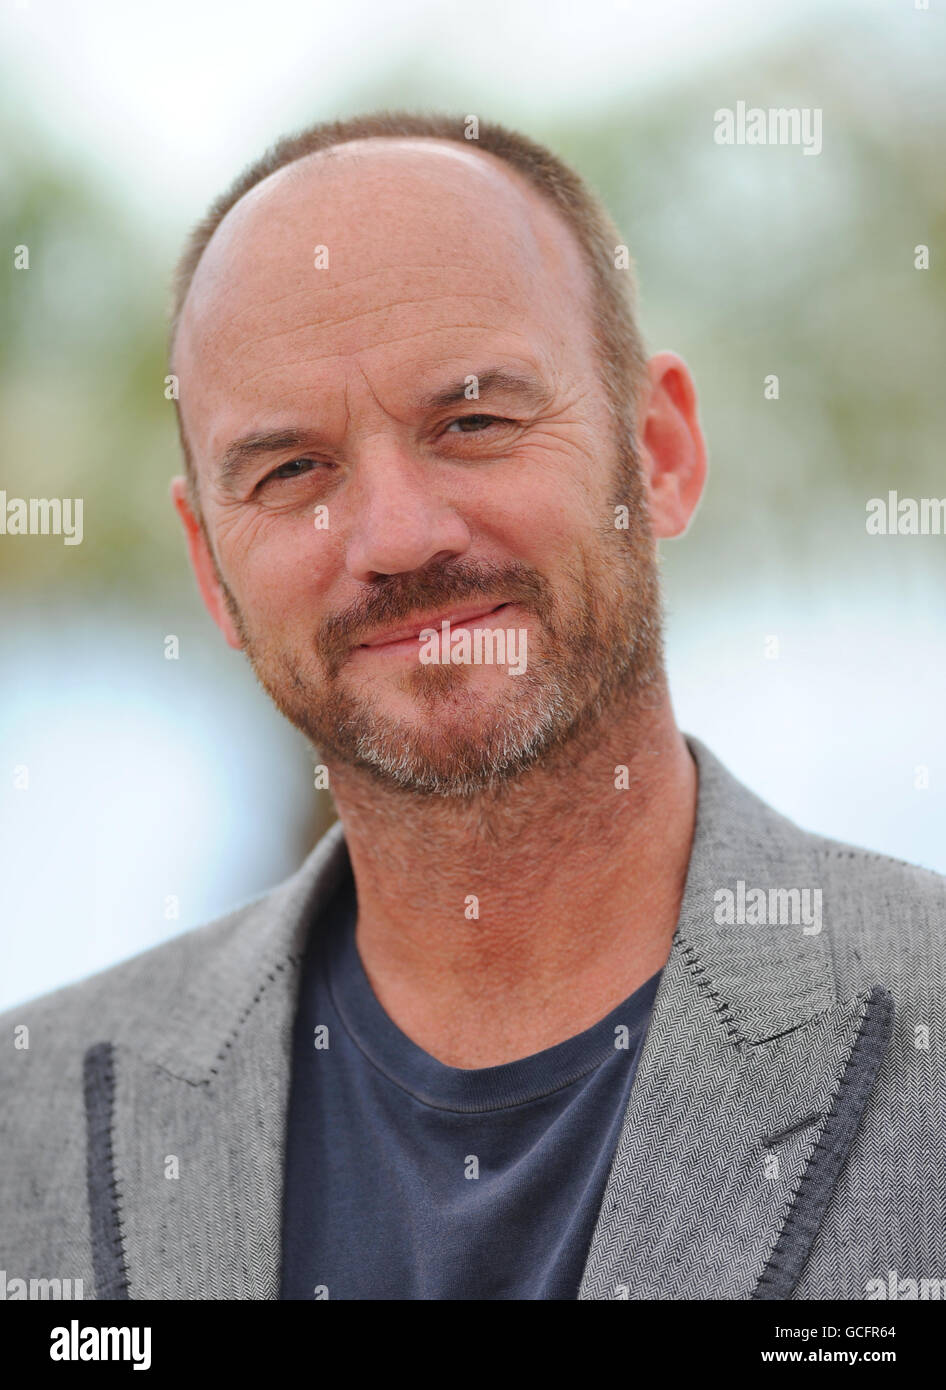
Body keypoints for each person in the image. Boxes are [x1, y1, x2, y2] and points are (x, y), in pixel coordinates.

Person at [2, 112, 943, 1302]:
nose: (396, 538)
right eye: (292, 471)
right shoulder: (27, 1129)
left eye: (474, 422)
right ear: (210, 572)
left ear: (657, 452)